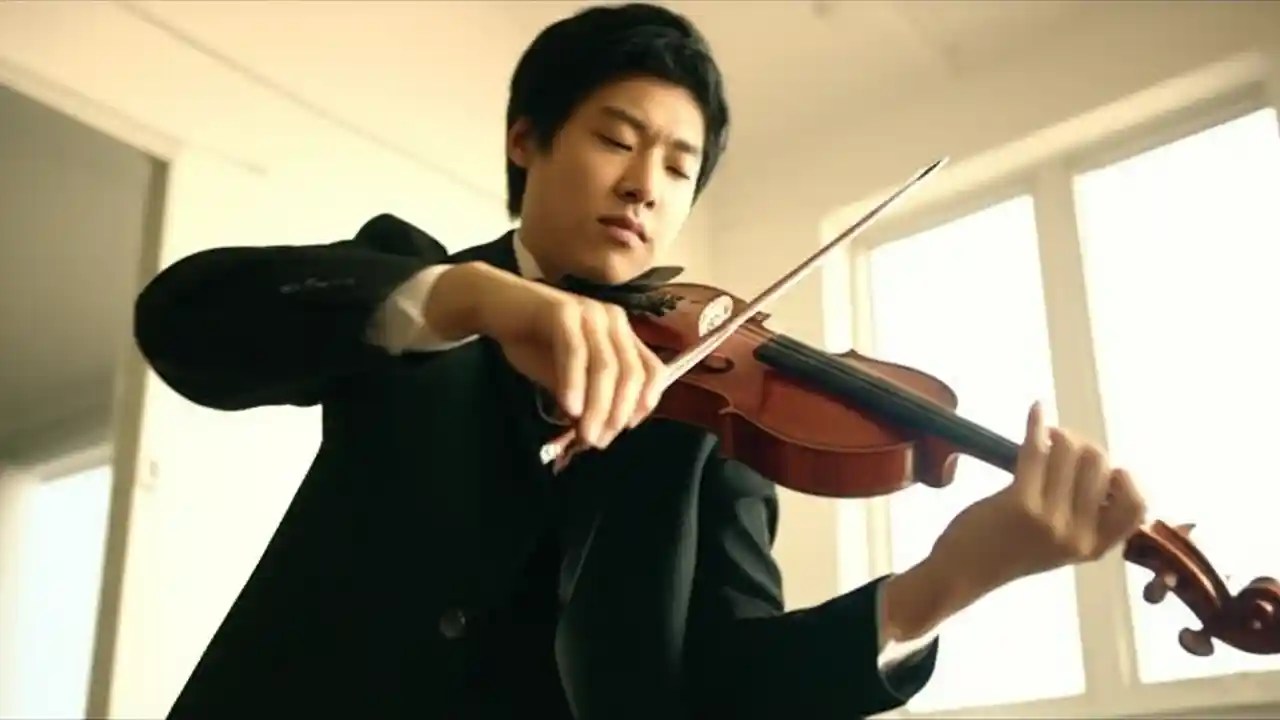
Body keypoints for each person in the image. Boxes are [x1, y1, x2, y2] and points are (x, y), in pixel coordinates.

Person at [133, 3, 1148, 718]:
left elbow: (727, 689)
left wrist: (947, 578)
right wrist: (469, 296)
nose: (645, 186)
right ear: (526, 139)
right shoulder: (416, 291)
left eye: (678, 165)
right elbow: (186, 322)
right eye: (617, 139)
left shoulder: (720, 404)